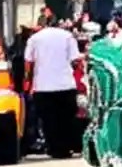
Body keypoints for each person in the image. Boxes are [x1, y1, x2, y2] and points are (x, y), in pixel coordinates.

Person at [25, 17, 82, 159]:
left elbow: (28, 62)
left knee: (48, 120)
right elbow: (75, 60)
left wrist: (29, 82)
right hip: (65, 84)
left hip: (43, 86)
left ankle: (53, 148)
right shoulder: (67, 36)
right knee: (66, 118)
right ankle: (65, 147)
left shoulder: (34, 39)